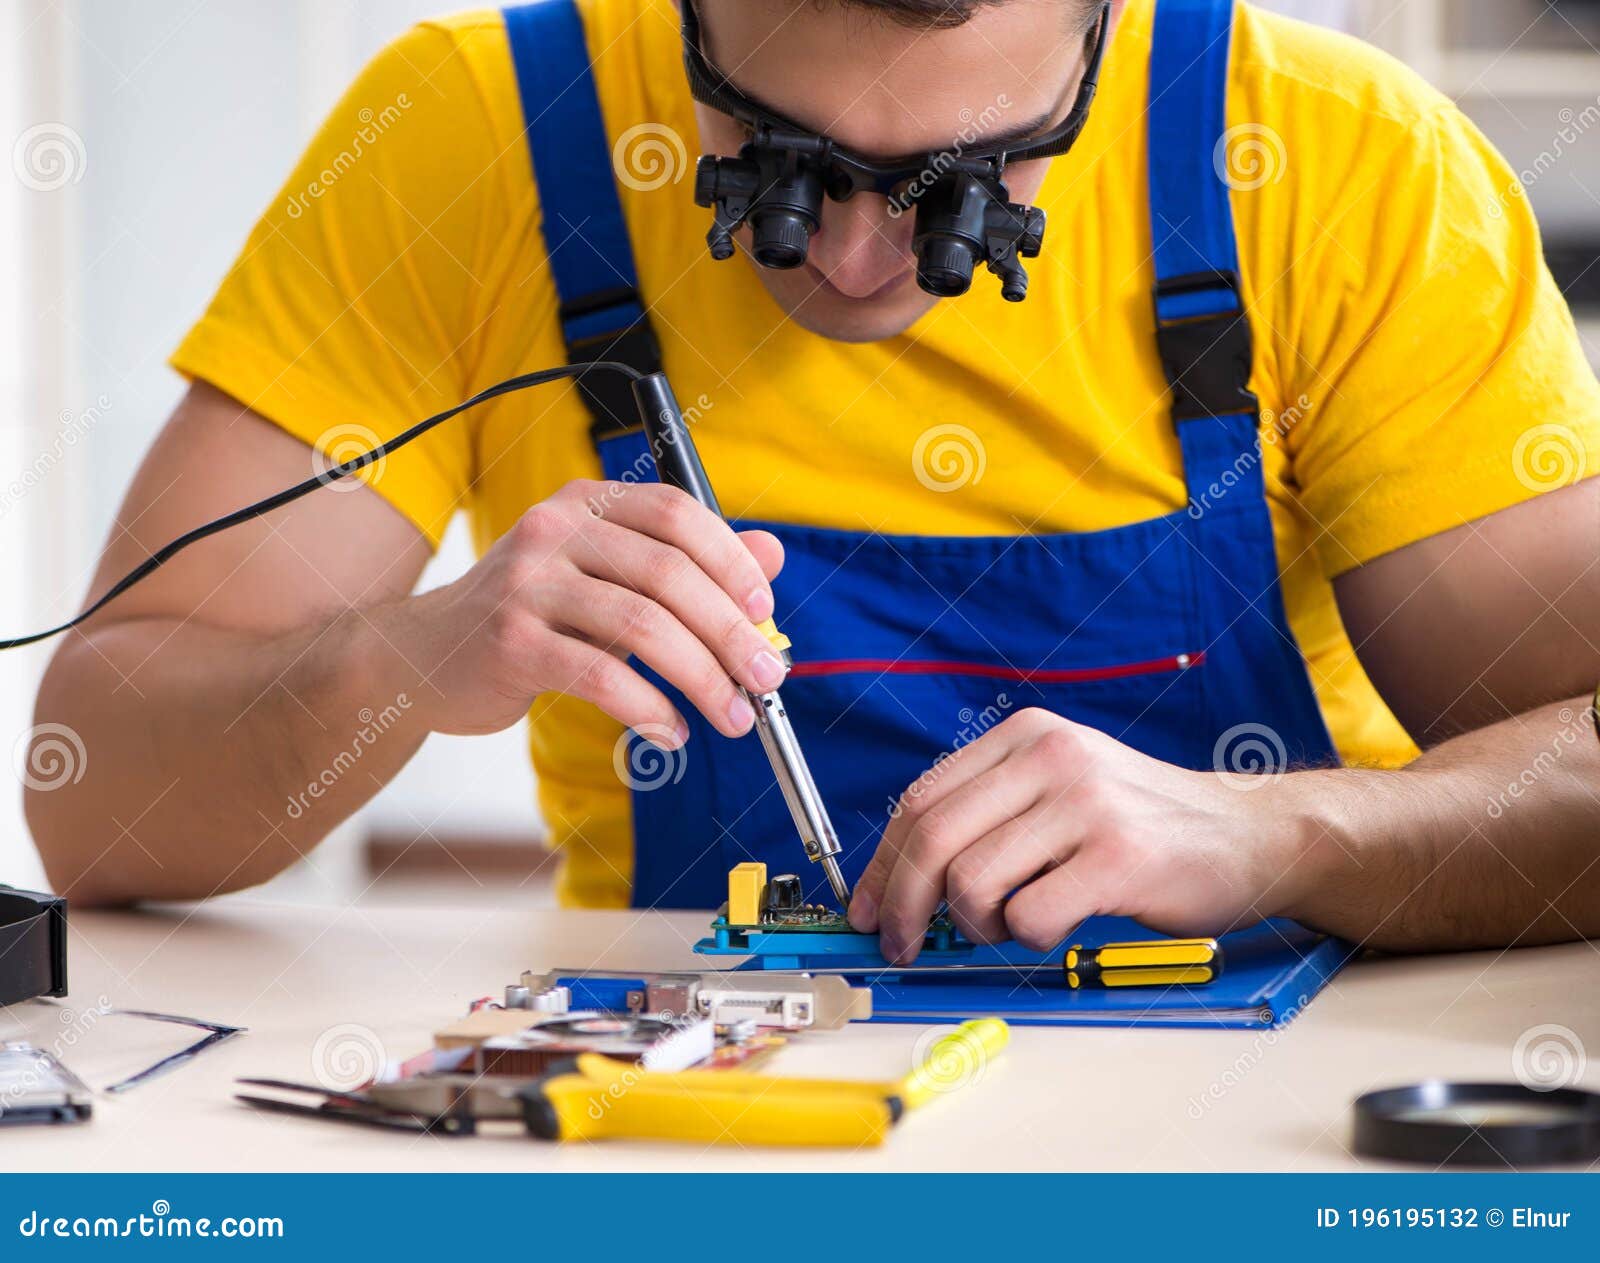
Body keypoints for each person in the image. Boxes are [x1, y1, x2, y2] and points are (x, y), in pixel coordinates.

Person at [26, 0, 1600, 966]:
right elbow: (93, 812)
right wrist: (405, 659)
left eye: (967, 190)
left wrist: (1287, 838)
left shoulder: (1333, 164)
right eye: (772, 159)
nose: (849, 261)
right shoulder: (474, 131)